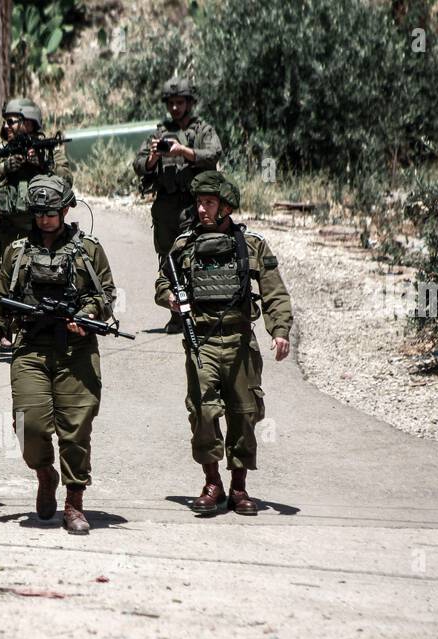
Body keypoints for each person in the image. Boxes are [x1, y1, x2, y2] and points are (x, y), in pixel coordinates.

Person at [0, 175, 116, 535]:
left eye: (51, 212)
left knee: (75, 431)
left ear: (66, 209)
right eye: (39, 212)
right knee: (30, 426)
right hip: (30, 348)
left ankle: (74, 503)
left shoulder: (89, 249)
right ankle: (44, 473)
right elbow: (0, 300)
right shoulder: (18, 251)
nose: (44, 218)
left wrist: (87, 317)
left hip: (76, 350)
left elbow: (107, 297)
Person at [153, 171, 292, 516]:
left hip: (241, 341)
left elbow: (275, 292)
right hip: (202, 343)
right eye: (199, 202)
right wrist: (169, 296)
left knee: (244, 415)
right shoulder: (183, 245)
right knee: (204, 412)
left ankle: (240, 487)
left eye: (209, 203)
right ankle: (212, 482)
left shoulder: (251, 245)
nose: (202, 209)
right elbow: (162, 280)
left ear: (226, 207)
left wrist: (280, 331)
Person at [133, 78, 221, 331]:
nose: (175, 108)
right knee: (168, 260)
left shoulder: (202, 130)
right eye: (171, 103)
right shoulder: (160, 132)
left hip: (195, 206)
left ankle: (204, 310)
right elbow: (138, 165)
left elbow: (214, 153)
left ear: (190, 103)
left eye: (180, 102)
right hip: (166, 207)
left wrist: (184, 151)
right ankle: (177, 313)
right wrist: (152, 158)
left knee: (199, 255)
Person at [0, 98, 72, 264]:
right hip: (9, 236)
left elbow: (67, 180)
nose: (6, 126)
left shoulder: (49, 154)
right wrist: (4, 169)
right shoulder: (3, 154)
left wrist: (43, 164)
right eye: (5, 122)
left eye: (11, 122)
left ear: (28, 123)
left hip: (44, 233)